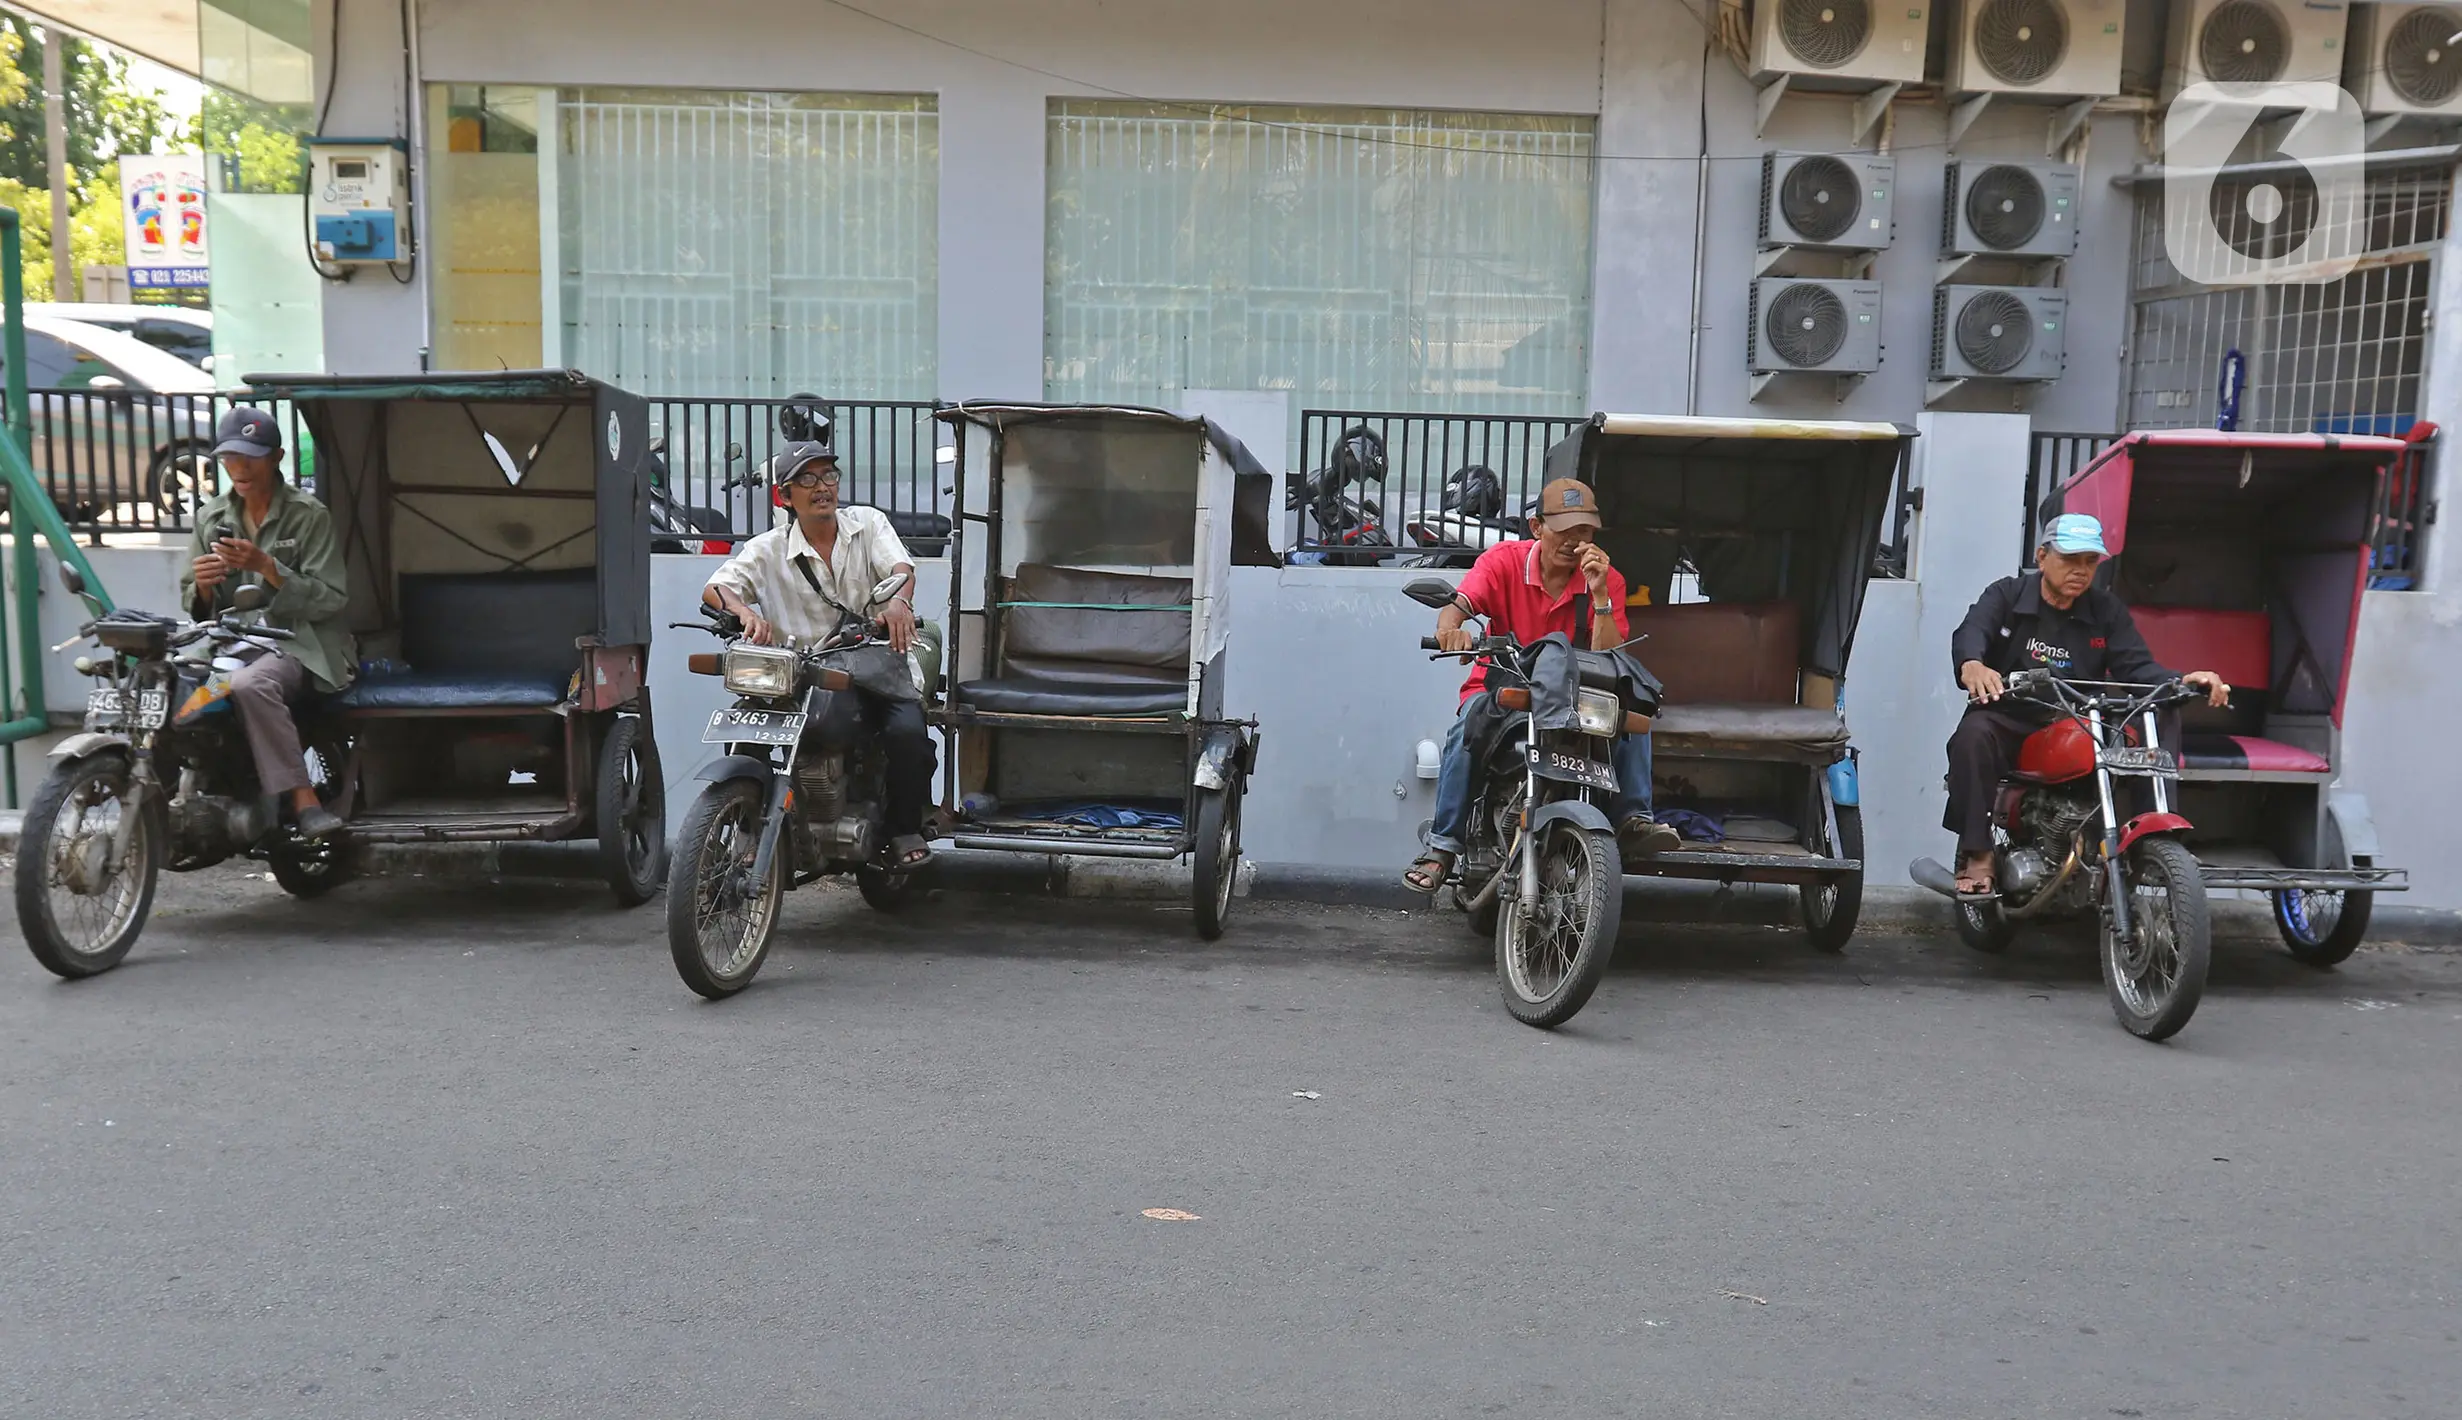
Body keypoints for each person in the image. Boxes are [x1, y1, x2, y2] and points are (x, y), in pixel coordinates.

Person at [1403, 477, 1681, 894]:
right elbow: (1457, 607)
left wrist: (1600, 593)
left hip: (1576, 696)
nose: (1575, 541)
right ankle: (1443, 846)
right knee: (1463, 732)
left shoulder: (1606, 579)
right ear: (1537, 528)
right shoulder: (1503, 562)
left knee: (1630, 720)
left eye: (1584, 531)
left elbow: (1612, 655)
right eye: (1565, 529)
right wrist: (1451, 630)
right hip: (1505, 684)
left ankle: (1632, 819)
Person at [1943, 513, 2231, 896]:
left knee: (2159, 706)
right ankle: (1977, 850)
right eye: (2070, 559)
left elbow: (2137, 666)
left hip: (2075, 721)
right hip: (2009, 716)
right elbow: (1972, 631)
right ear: (2042, 556)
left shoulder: (2105, 610)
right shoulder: (2007, 595)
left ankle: (2150, 838)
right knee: (1973, 735)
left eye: (2090, 562)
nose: (2081, 571)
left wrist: (2180, 681)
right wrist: (1973, 664)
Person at [702, 430, 938, 868]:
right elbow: (716, 586)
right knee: (746, 728)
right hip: (802, 670)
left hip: (873, 660)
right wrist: (743, 612)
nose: (822, 487)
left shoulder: (867, 525)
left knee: (907, 733)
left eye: (828, 475)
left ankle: (902, 829)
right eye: (806, 481)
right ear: (784, 495)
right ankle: (749, 826)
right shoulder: (766, 550)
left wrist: (898, 601)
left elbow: (900, 567)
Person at [179, 406, 356, 841]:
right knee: (168, 685)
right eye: (231, 457)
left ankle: (303, 798)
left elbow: (332, 598)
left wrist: (269, 567)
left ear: (276, 457)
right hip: (229, 644)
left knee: (249, 686)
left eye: (251, 456)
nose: (240, 467)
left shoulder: (308, 514)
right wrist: (203, 587)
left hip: (299, 643)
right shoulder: (211, 517)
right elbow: (197, 604)